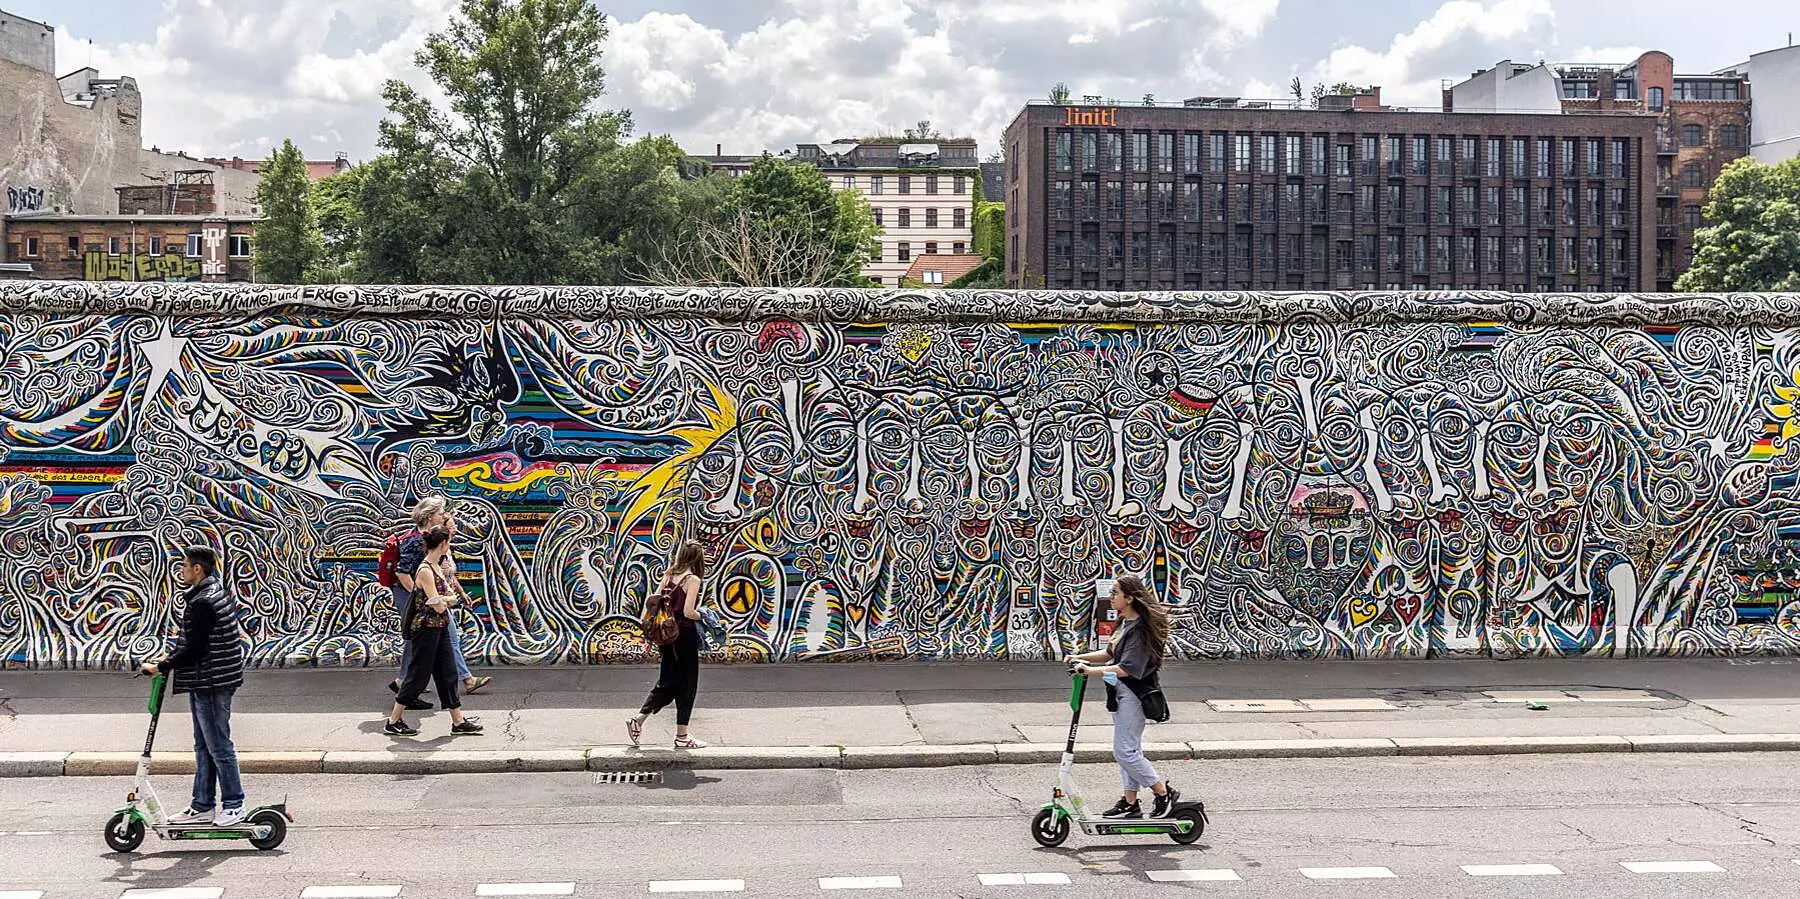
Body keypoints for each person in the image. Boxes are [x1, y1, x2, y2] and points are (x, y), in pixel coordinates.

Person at [139, 546, 249, 827]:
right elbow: (195, 641)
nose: (182, 570)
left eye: (185, 566)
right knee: (204, 746)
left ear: (197, 569)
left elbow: (195, 649)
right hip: (212, 679)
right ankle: (202, 804)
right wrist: (167, 657)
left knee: (219, 747)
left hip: (211, 682)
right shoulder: (212, 593)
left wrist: (160, 667)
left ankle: (234, 804)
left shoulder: (202, 602)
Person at [1065, 575, 1179, 820]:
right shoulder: (1125, 623)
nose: (1111, 596)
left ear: (1129, 598)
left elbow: (1126, 667)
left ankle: (1163, 793)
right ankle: (1130, 802)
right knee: (1130, 750)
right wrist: (1080, 658)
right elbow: (1109, 653)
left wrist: (1090, 671)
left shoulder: (1139, 630)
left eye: (1115, 592)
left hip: (1135, 695)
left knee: (1125, 752)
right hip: (1120, 693)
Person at [388, 499, 490, 703]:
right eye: (440, 512)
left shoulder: (429, 537)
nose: (444, 516)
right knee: (446, 637)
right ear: (429, 516)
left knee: (416, 640)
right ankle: (466, 681)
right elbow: (402, 573)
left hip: (428, 596)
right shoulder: (415, 540)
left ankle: (403, 682)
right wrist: (421, 597)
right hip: (413, 595)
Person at [385, 525, 483, 736]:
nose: (450, 546)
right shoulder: (425, 570)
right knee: (418, 677)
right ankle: (393, 720)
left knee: (448, 673)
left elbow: (447, 598)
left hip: (440, 626)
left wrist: (446, 599)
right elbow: (437, 604)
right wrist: (447, 599)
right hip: (426, 630)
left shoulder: (437, 567)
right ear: (442, 544)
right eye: (449, 542)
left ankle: (458, 721)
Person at [626, 543, 708, 749]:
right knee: (687, 684)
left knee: (669, 681)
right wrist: (705, 616)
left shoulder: (668, 576)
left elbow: (657, 603)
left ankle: (640, 720)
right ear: (698, 558)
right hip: (684, 636)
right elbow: (689, 612)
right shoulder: (693, 580)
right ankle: (681, 736)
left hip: (667, 636)